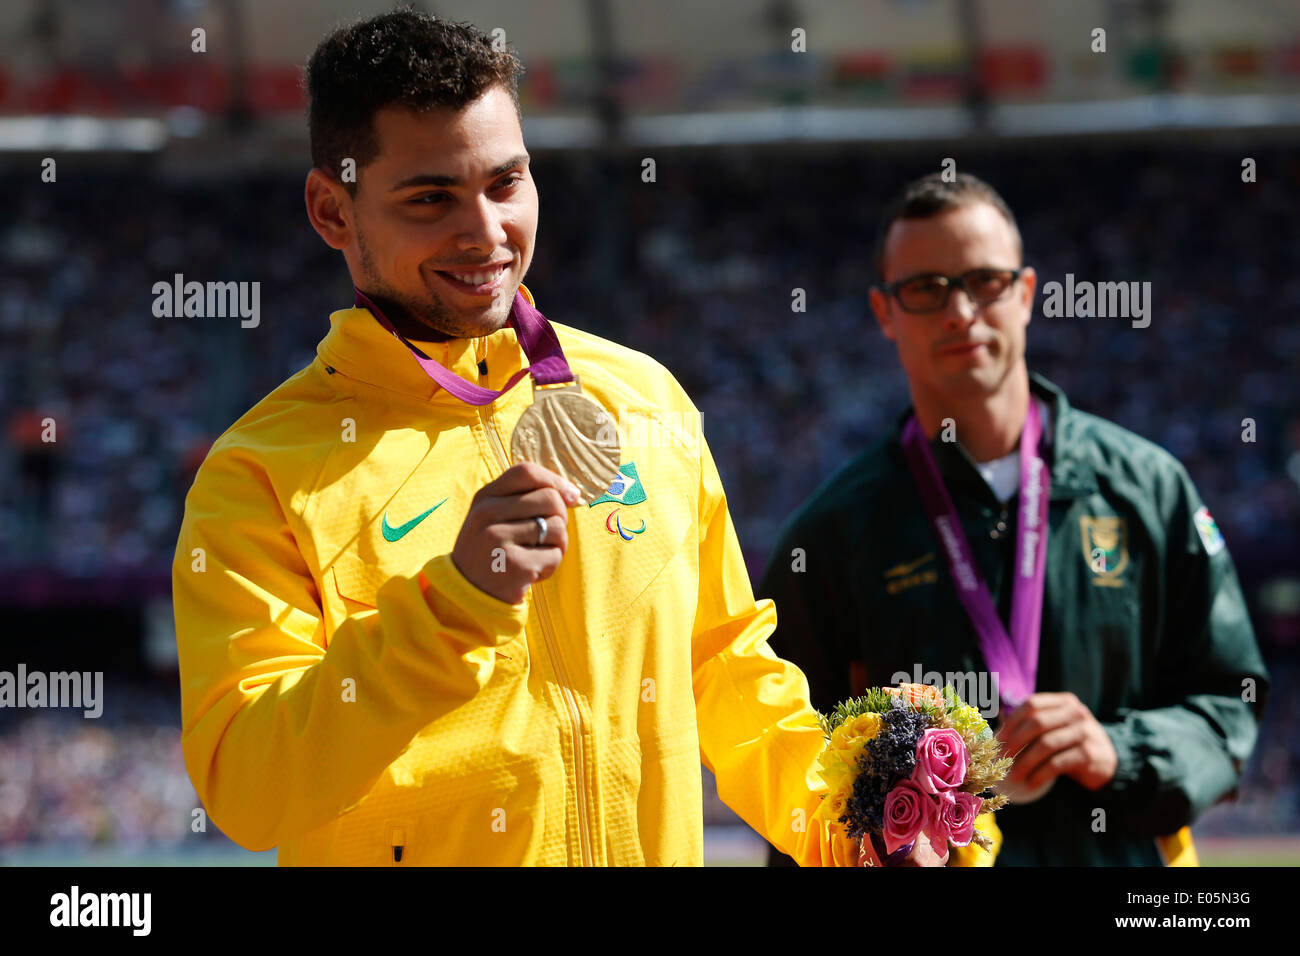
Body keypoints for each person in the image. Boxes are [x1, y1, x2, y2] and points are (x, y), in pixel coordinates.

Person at [172, 9, 866, 866]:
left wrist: (862, 828)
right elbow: (249, 789)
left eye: (506, 183)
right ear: (331, 210)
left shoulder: (643, 398)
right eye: (431, 197)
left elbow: (727, 672)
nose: (486, 232)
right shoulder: (259, 476)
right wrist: (450, 607)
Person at [761, 172, 1269, 866]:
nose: (961, 311)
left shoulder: (1148, 490)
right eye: (926, 288)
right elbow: (789, 771)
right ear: (885, 312)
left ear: (1026, 293)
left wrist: (1121, 748)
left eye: (985, 281)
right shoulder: (832, 535)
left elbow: (1229, 700)